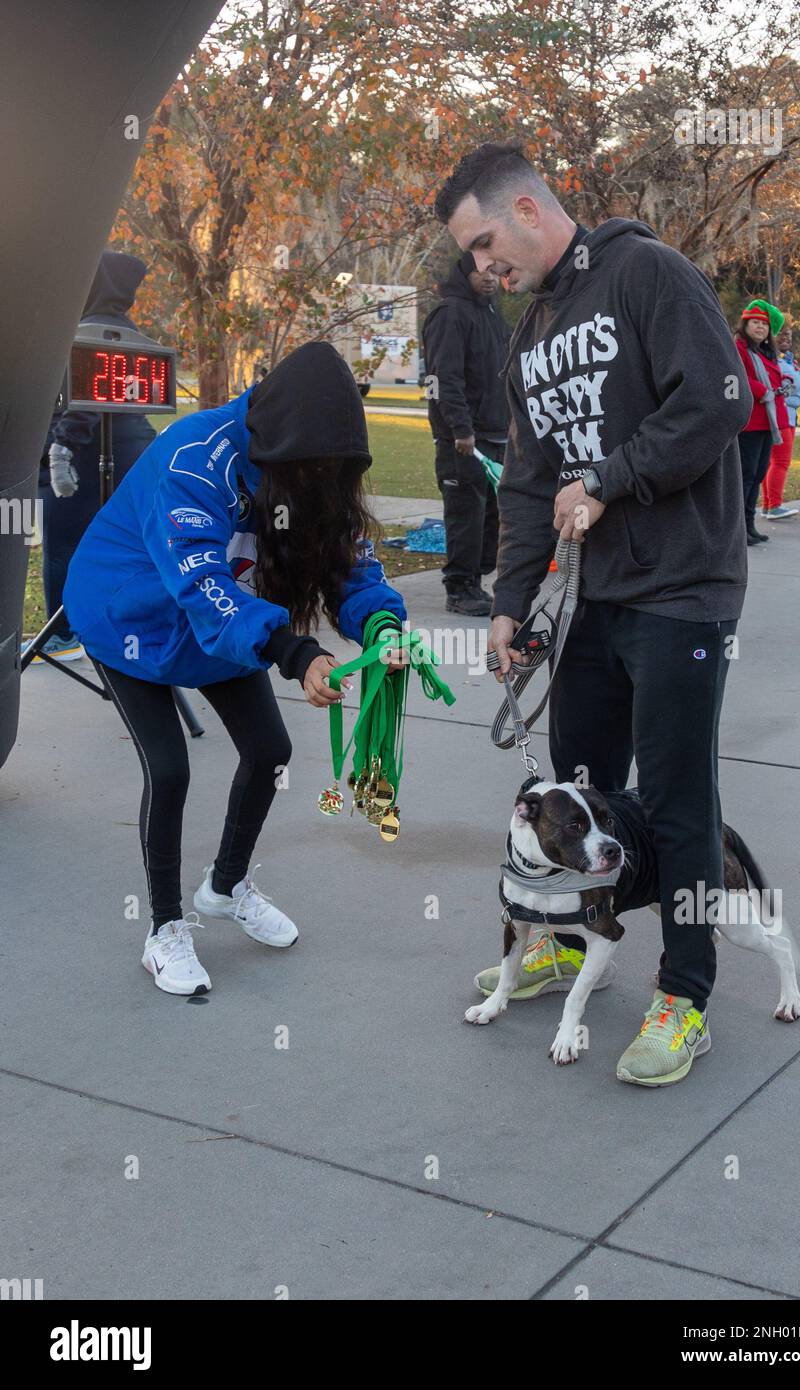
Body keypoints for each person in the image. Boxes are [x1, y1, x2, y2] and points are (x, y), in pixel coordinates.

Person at [434, 141, 752, 1087]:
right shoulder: (530, 336)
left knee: (678, 806)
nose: (482, 268)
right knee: (583, 791)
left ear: (529, 209)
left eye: (487, 242)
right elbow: (531, 486)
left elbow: (717, 401)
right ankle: (571, 946)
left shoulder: (648, 273)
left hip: (684, 591)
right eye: (472, 257)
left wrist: (610, 479)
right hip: (590, 603)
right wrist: (508, 608)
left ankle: (684, 995)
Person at [63, 343, 407, 996]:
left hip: (216, 622)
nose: (321, 484)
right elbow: (201, 583)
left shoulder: (311, 468)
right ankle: (163, 929)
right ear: (281, 447)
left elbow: (351, 567)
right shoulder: (195, 457)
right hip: (126, 615)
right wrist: (296, 654)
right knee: (169, 768)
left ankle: (223, 886)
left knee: (270, 748)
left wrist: (383, 624)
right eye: (313, 472)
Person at [33, 251, 156, 662]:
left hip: (79, 459)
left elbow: (86, 400)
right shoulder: (133, 334)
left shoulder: (91, 332)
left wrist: (62, 448)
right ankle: (124, 628)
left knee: (64, 546)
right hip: (132, 452)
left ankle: (62, 634)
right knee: (126, 546)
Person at [421, 250, 510, 615]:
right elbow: (443, 379)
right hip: (463, 441)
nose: (489, 277)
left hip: (496, 435)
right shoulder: (451, 313)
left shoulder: (488, 314)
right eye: (481, 271)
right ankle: (459, 589)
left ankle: (475, 579)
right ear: (464, 272)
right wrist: (461, 429)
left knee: (491, 517)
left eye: (494, 270)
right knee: (465, 516)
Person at [734, 299, 788, 545]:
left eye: (764, 325)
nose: (760, 328)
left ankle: (750, 524)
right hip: (750, 423)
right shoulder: (739, 348)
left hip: (767, 422)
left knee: (756, 476)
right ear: (745, 324)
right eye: (755, 323)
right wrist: (763, 391)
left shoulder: (763, 352)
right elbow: (739, 377)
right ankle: (739, 529)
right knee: (745, 476)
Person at [761, 323, 800, 521]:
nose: (787, 338)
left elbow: (796, 388)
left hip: (790, 415)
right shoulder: (773, 361)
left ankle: (768, 506)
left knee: (772, 461)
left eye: (790, 335)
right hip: (779, 415)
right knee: (780, 461)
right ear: (771, 337)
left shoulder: (789, 361)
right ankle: (774, 506)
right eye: (782, 334)